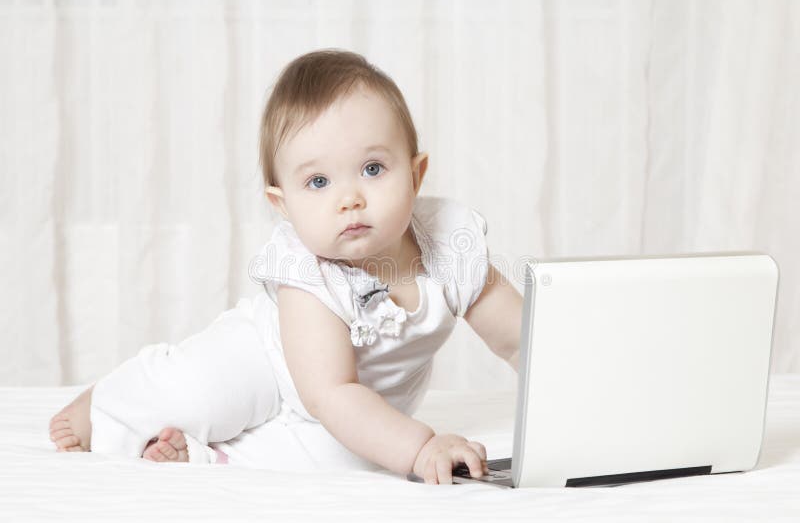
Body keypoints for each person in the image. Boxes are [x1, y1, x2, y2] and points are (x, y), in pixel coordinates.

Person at [48, 49, 523, 485]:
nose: (349, 198)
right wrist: (421, 446)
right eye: (317, 181)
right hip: (267, 361)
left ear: (416, 175)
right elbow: (331, 392)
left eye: (373, 169)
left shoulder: (449, 245)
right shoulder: (305, 269)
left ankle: (204, 455)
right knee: (199, 392)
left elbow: (521, 337)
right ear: (284, 204)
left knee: (342, 457)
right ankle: (107, 403)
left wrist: (573, 386)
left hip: (358, 404)